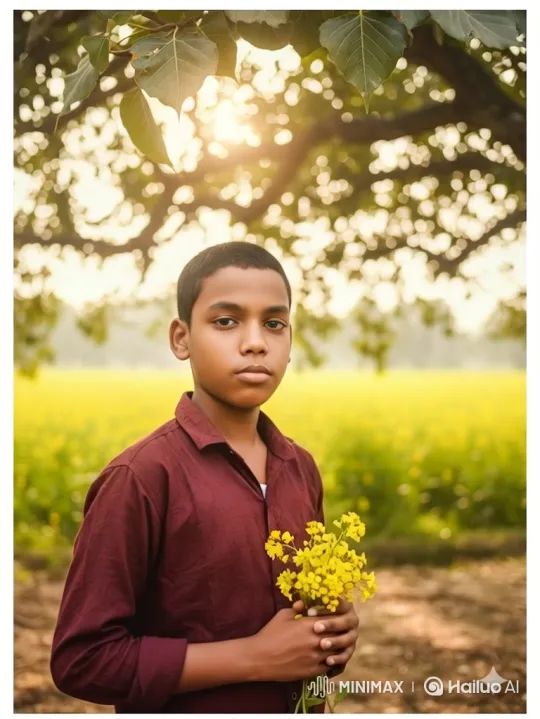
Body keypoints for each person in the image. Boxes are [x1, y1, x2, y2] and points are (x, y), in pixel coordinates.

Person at [50, 242, 360, 713]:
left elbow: (306, 648)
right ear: (181, 339)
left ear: (290, 341)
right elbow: (83, 660)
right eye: (226, 321)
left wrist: (328, 643)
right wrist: (252, 659)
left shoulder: (300, 468)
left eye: (274, 323)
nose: (255, 342)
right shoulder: (142, 478)